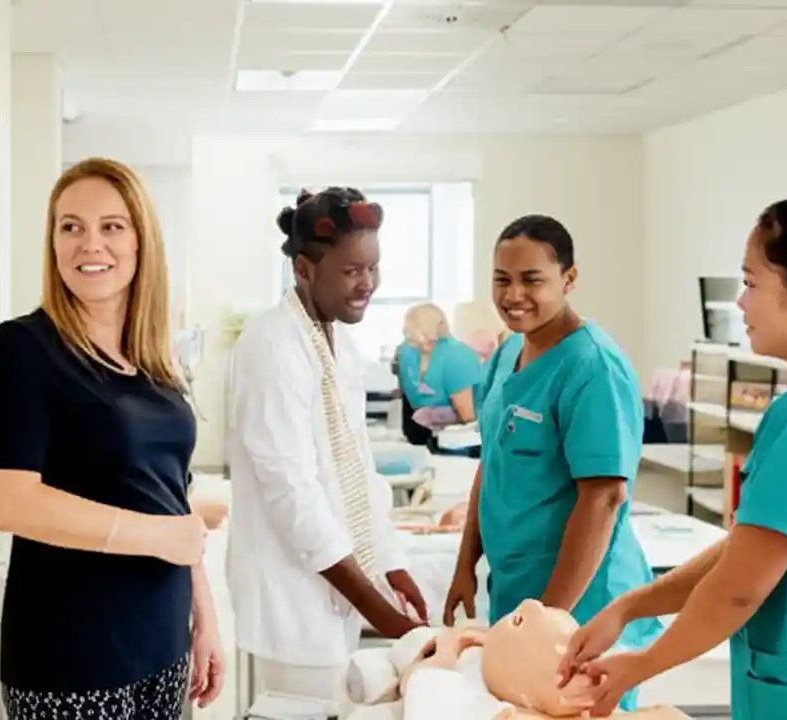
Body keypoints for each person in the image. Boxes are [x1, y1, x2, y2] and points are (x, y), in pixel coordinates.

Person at [557, 192, 787, 719]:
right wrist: (630, 606)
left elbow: (738, 590)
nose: (740, 304)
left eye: (750, 284)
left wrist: (642, 663)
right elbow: (747, 548)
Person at [0, 158, 223, 719]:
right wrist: (159, 536)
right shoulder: (24, 348)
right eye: (71, 227)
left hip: (162, 643)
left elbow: (170, 498)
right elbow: (0, 498)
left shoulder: (153, 362)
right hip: (73, 657)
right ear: (54, 242)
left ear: (141, 241)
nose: (91, 244)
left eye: (112, 226)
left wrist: (204, 614)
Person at [442, 214, 661, 712]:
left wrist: (548, 623)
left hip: (580, 608)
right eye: (502, 279)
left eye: (532, 280)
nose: (513, 294)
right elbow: (493, 461)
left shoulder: (592, 368)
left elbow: (603, 497)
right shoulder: (508, 354)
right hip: (520, 595)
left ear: (570, 278)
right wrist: (464, 566)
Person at [226, 187, 429, 704]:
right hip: (294, 601)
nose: (367, 285)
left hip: (336, 589)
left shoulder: (337, 341)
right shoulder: (272, 347)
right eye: (351, 271)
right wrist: (376, 608)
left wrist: (392, 566)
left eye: (373, 269)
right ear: (304, 269)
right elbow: (291, 492)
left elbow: (357, 474)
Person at [396, 303, 482, 443]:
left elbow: (469, 417)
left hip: (457, 436)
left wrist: (439, 417)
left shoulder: (458, 357)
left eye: (427, 339)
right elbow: (406, 392)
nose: (423, 345)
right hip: (417, 431)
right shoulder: (406, 352)